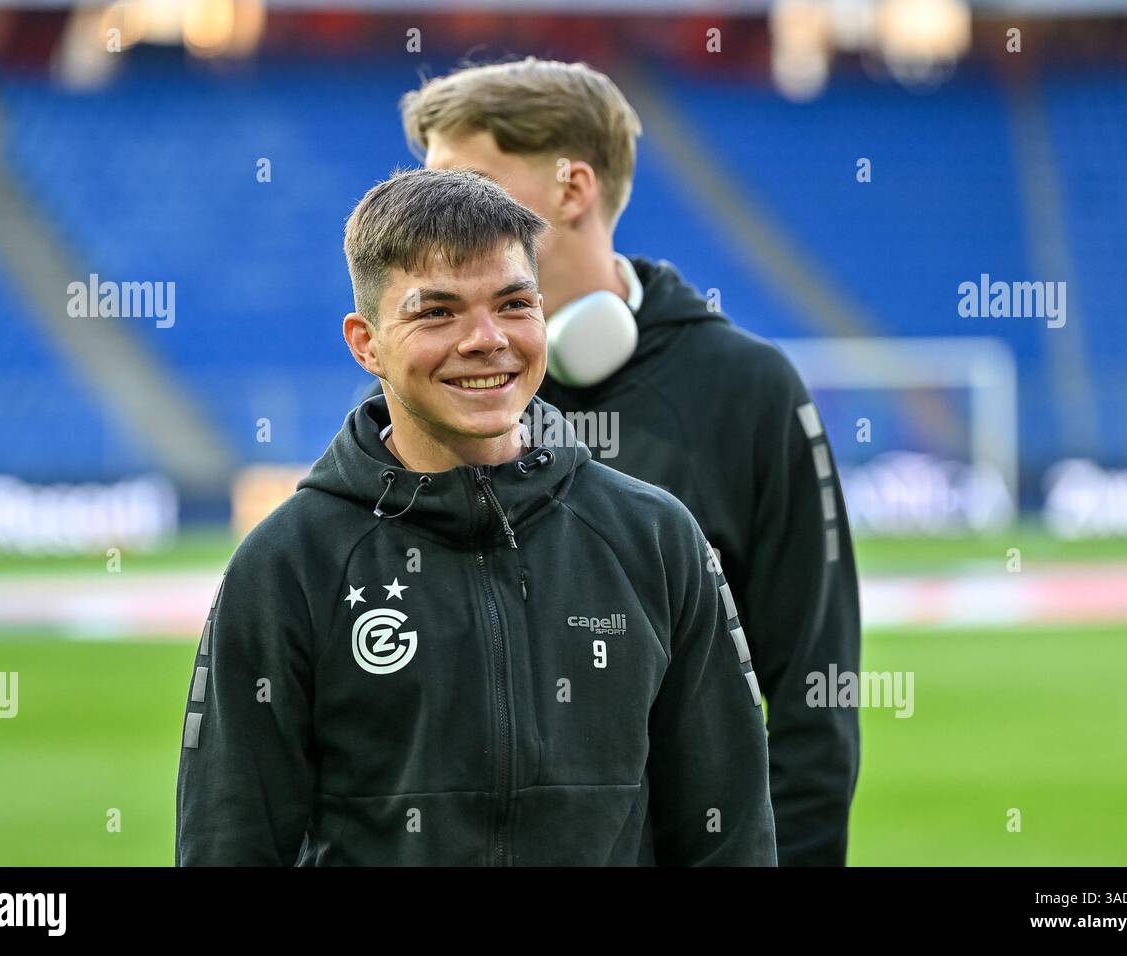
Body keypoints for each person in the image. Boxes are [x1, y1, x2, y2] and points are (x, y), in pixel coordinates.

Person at [175, 167, 776, 866]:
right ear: (365, 342)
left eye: (514, 304)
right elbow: (229, 840)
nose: (487, 339)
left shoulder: (656, 539)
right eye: (438, 312)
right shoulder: (289, 563)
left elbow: (728, 834)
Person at [389, 58, 863, 865]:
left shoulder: (748, 392)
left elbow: (813, 704)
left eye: (467, 186)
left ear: (572, 189)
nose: (437, 222)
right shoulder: (427, 384)